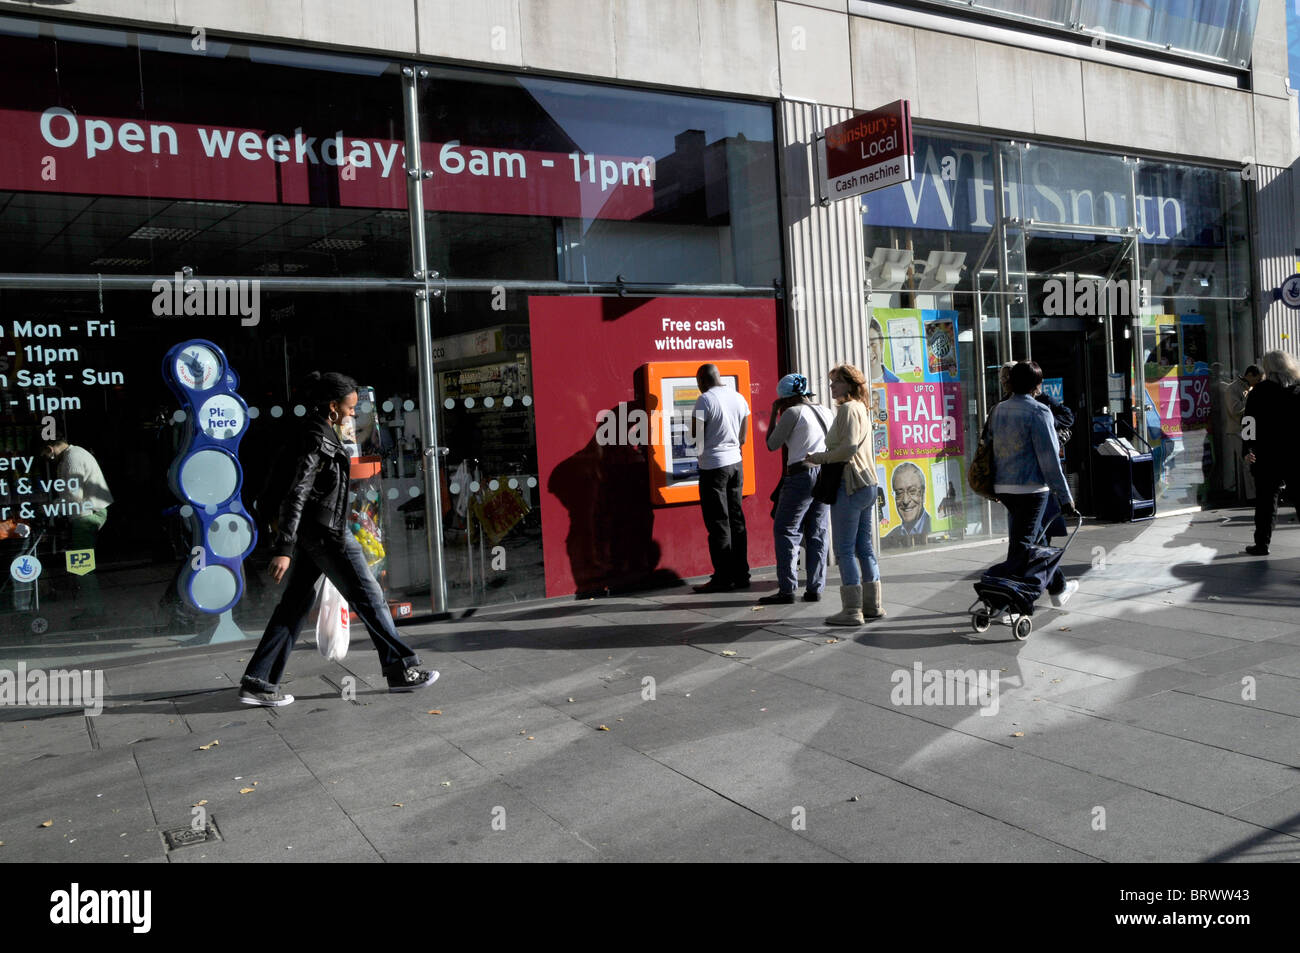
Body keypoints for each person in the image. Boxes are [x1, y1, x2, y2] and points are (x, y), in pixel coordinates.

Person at [239, 372, 439, 706]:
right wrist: (285, 547)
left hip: (316, 533)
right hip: (327, 534)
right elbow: (296, 494)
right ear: (332, 407)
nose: (353, 414)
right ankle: (402, 670)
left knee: (294, 606)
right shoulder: (317, 439)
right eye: (349, 408)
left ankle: (259, 681)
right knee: (370, 597)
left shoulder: (320, 432)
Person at [989, 361, 1080, 606]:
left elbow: (990, 448)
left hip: (1004, 486)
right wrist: (1065, 497)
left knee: (1032, 539)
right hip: (1031, 488)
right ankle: (1010, 600)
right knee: (1024, 545)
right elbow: (1049, 459)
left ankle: (1058, 587)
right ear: (1036, 385)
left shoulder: (998, 410)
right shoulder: (1039, 412)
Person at [803, 363, 885, 624]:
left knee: (845, 550)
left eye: (836, 381)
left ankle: (852, 611)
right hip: (867, 484)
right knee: (864, 548)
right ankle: (873, 605)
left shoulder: (849, 409)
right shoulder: (861, 408)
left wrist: (818, 458)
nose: (831, 386)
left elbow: (848, 448)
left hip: (850, 484)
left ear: (850, 384)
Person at [758, 373, 833, 604]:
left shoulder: (792, 412)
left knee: (786, 531)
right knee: (817, 531)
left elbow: (772, 444)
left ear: (787, 399)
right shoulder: (825, 410)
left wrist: (773, 413)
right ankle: (815, 588)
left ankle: (787, 589)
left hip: (801, 475)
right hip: (824, 472)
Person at [689, 363, 751, 593]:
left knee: (718, 522)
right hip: (736, 464)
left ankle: (723, 577)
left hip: (713, 467)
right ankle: (742, 574)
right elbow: (743, 436)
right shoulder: (739, 398)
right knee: (736, 520)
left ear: (702, 380)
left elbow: (696, 437)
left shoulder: (705, 400)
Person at [39, 433, 113, 622]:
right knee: (80, 565)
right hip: (87, 514)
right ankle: (92, 609)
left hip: (86, 516)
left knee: (81, 566)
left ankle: (95, 612)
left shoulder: (73, 459)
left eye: (44, 454)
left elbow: (72, 498)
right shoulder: (73, 455)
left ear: (50, 448)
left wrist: (47, 509)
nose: (45, 459)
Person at [1241, 351, 1300, 556]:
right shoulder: (1297, 388)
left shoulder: (1260, 391)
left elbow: (1249, 423)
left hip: (1267, 455)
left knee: (1266, 501)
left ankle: (1262, 544)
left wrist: (1247, 449)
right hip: (1295, 454)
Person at [1222, 364, 1261, 499]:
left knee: (1254, 462)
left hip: (1250, 428)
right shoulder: (1232, 389)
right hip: (1238, 429)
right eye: (1257, 379)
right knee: (1248, 462)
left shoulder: (1251, 387)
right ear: (1249, 375)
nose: (1258, 382)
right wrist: (1253, 400)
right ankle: (1253, 496)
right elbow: (1235, 410)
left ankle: (1256, 494)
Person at [883, 462, 931, 546]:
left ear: (923, 493)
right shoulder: (889, 538)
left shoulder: (936, 528)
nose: (905, 501)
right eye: (899, 493)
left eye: (912, 491)